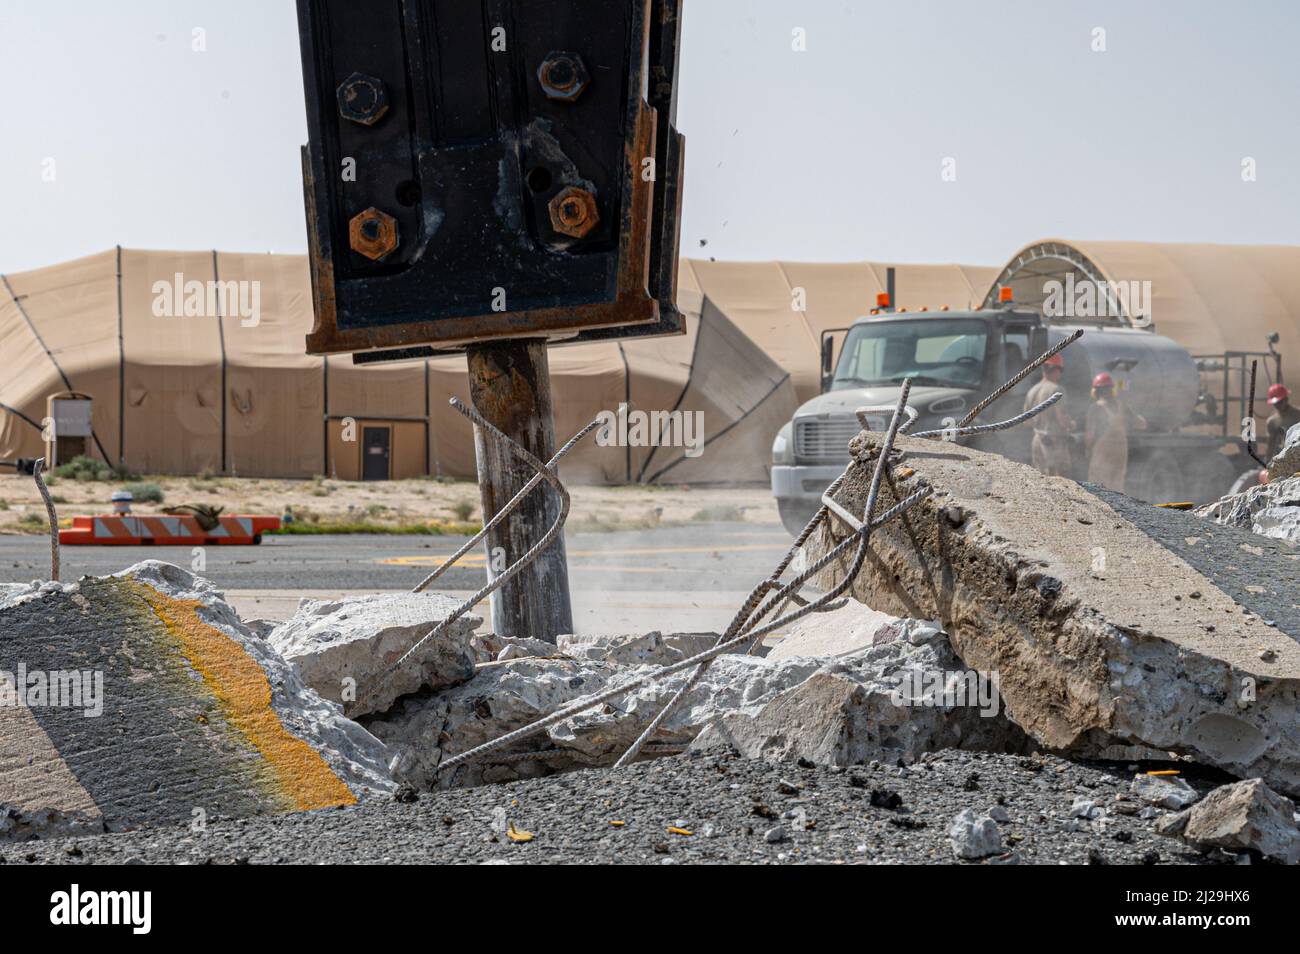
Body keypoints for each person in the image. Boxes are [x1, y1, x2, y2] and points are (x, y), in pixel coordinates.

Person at [1085, 372, 1145, 492]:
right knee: (1117, 484)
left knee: (1098, 486)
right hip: (1121, 451)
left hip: (1102, 451)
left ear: (1095, 391)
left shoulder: (1095, 408)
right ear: (1111, 389)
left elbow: (1090, 436)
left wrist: (1088, 451)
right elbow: (1141, 424)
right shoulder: (1122, 405)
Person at [1024, 353, 1072, 476]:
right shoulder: (1057, 389)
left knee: (1040, 480)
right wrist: (1071, 425)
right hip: (1053, 442)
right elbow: (1061, 419)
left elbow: (1027, 422)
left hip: (1037, 441)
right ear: (1056, 369)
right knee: (1060, 481)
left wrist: (1040, 425)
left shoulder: (1032, 391)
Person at [1264, 384, 1300, 459]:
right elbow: (1270, 445)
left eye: (1280, 402)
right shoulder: (1272, 421)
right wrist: (1266, 463)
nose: (1278, 405)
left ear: (1286, 399)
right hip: (1285, 459)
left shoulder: (1298, 415)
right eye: (1275, 403)